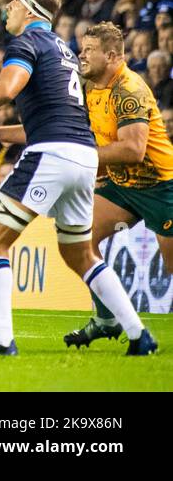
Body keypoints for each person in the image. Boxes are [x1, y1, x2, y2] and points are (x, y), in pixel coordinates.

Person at [0, 0, 156, 356]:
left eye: (12, 3)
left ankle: (2, 340)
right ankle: (140, 336)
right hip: (83, 157)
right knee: (80, 254)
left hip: (51, 156)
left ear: (28, 10)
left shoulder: (26, 43)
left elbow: (8, 88)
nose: (6, 10)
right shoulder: (62, 50)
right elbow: (53, 118)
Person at [50, 22, 173, 347]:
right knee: (81, 238)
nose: (81, 55)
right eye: (81, 48)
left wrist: (82, 156)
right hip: (123, 187)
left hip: (162, 187)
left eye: (88, 50)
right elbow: (56, 130)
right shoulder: (89, 88)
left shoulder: (128, 89)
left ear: (113, 55)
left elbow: (133, 150)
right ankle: (106, 320)